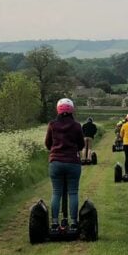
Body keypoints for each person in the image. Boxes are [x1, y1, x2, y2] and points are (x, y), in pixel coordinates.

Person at [44, 98, 83, 230]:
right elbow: (81, 145)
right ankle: (73, 222)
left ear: (58, 110)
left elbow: (48, 144)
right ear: (71, 109)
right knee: (73, 192)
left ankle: (55, 222)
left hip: (56, 162)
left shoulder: (52, 125)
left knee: (56, 192)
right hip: (72, 162)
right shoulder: (77, 126)